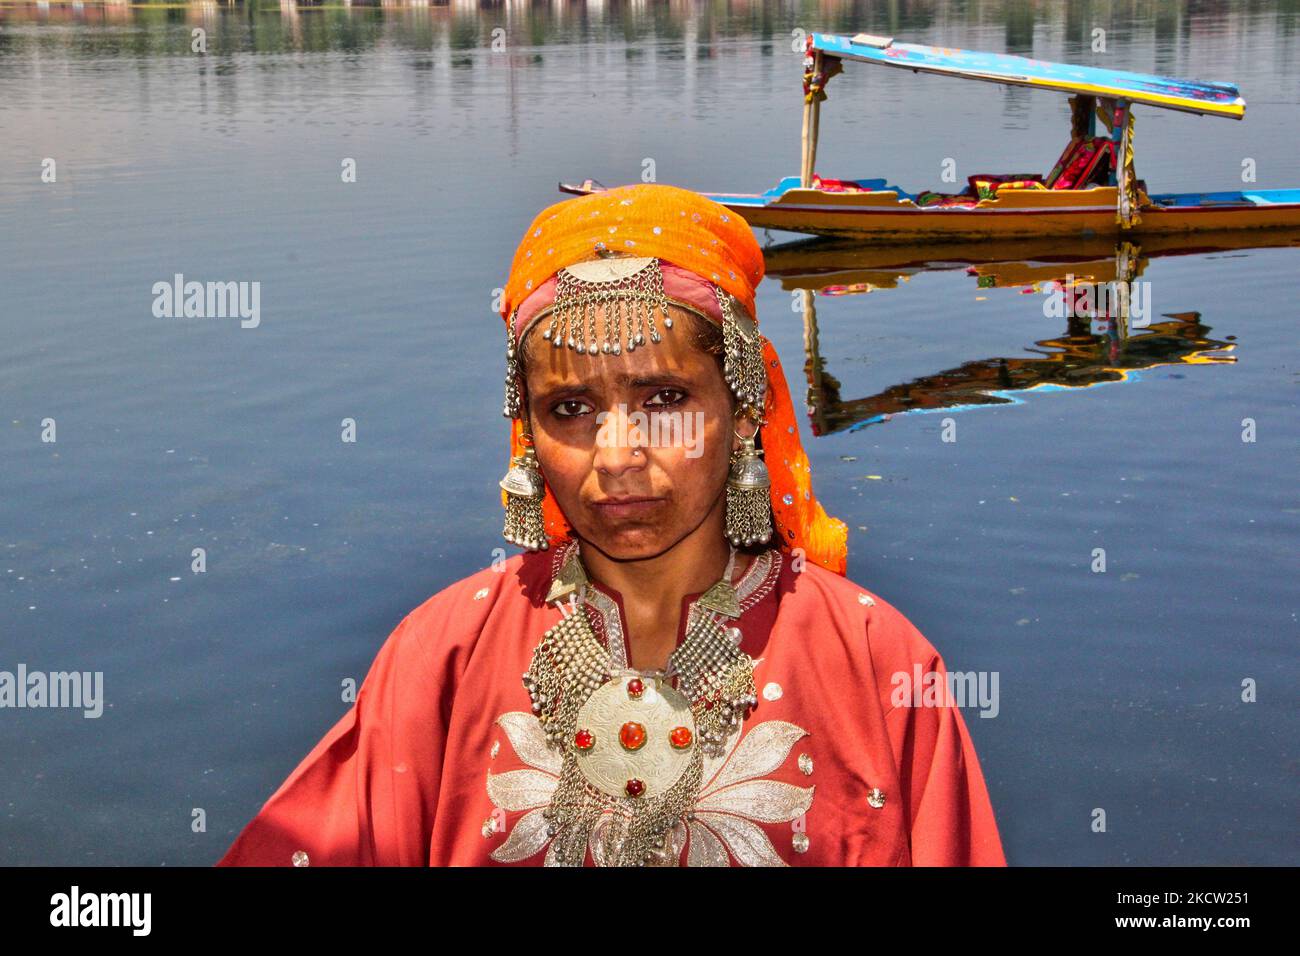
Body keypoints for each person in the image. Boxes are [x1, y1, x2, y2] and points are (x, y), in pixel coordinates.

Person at [216, 183, 1006, 867]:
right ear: (527, 429)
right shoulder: (442, 662)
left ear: (744, 409)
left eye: (665, 399)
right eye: (571, 409)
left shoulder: (875, 665)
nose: (618, 455)